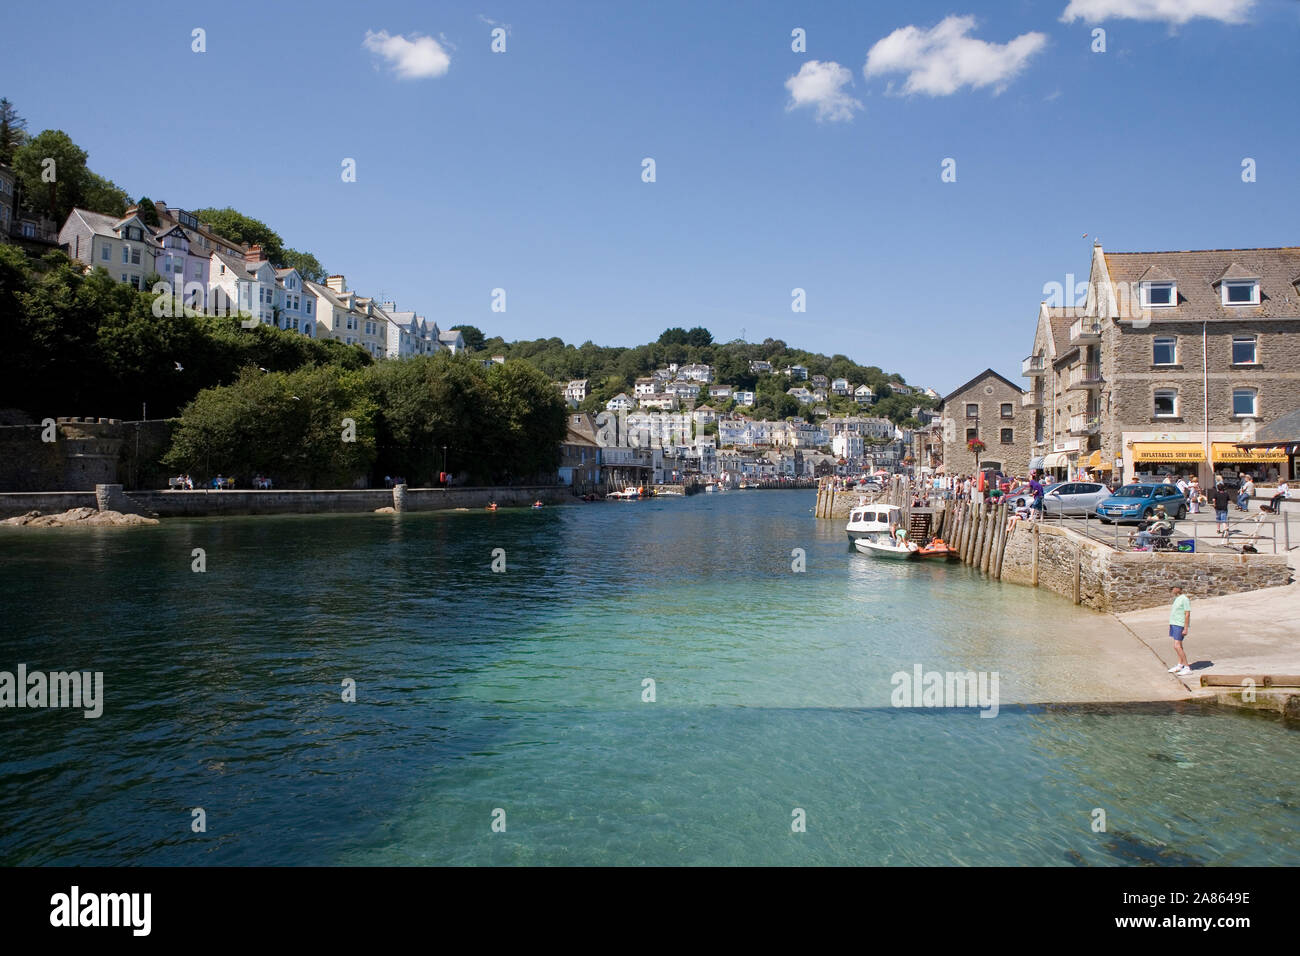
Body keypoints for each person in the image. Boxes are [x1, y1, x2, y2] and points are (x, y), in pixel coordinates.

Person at [1167, 586, 1192, 677]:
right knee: (1179, 645)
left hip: (1180, 625)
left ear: (1178, 588)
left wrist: (1185, 628)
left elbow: (1187, 614)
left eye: (1172, 588)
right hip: (1174, 624)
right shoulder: (1177, 599)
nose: (1171, 590)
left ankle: (1187, 667)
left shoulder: (1184, 599)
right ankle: (1180, 665)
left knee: (1176, 646)